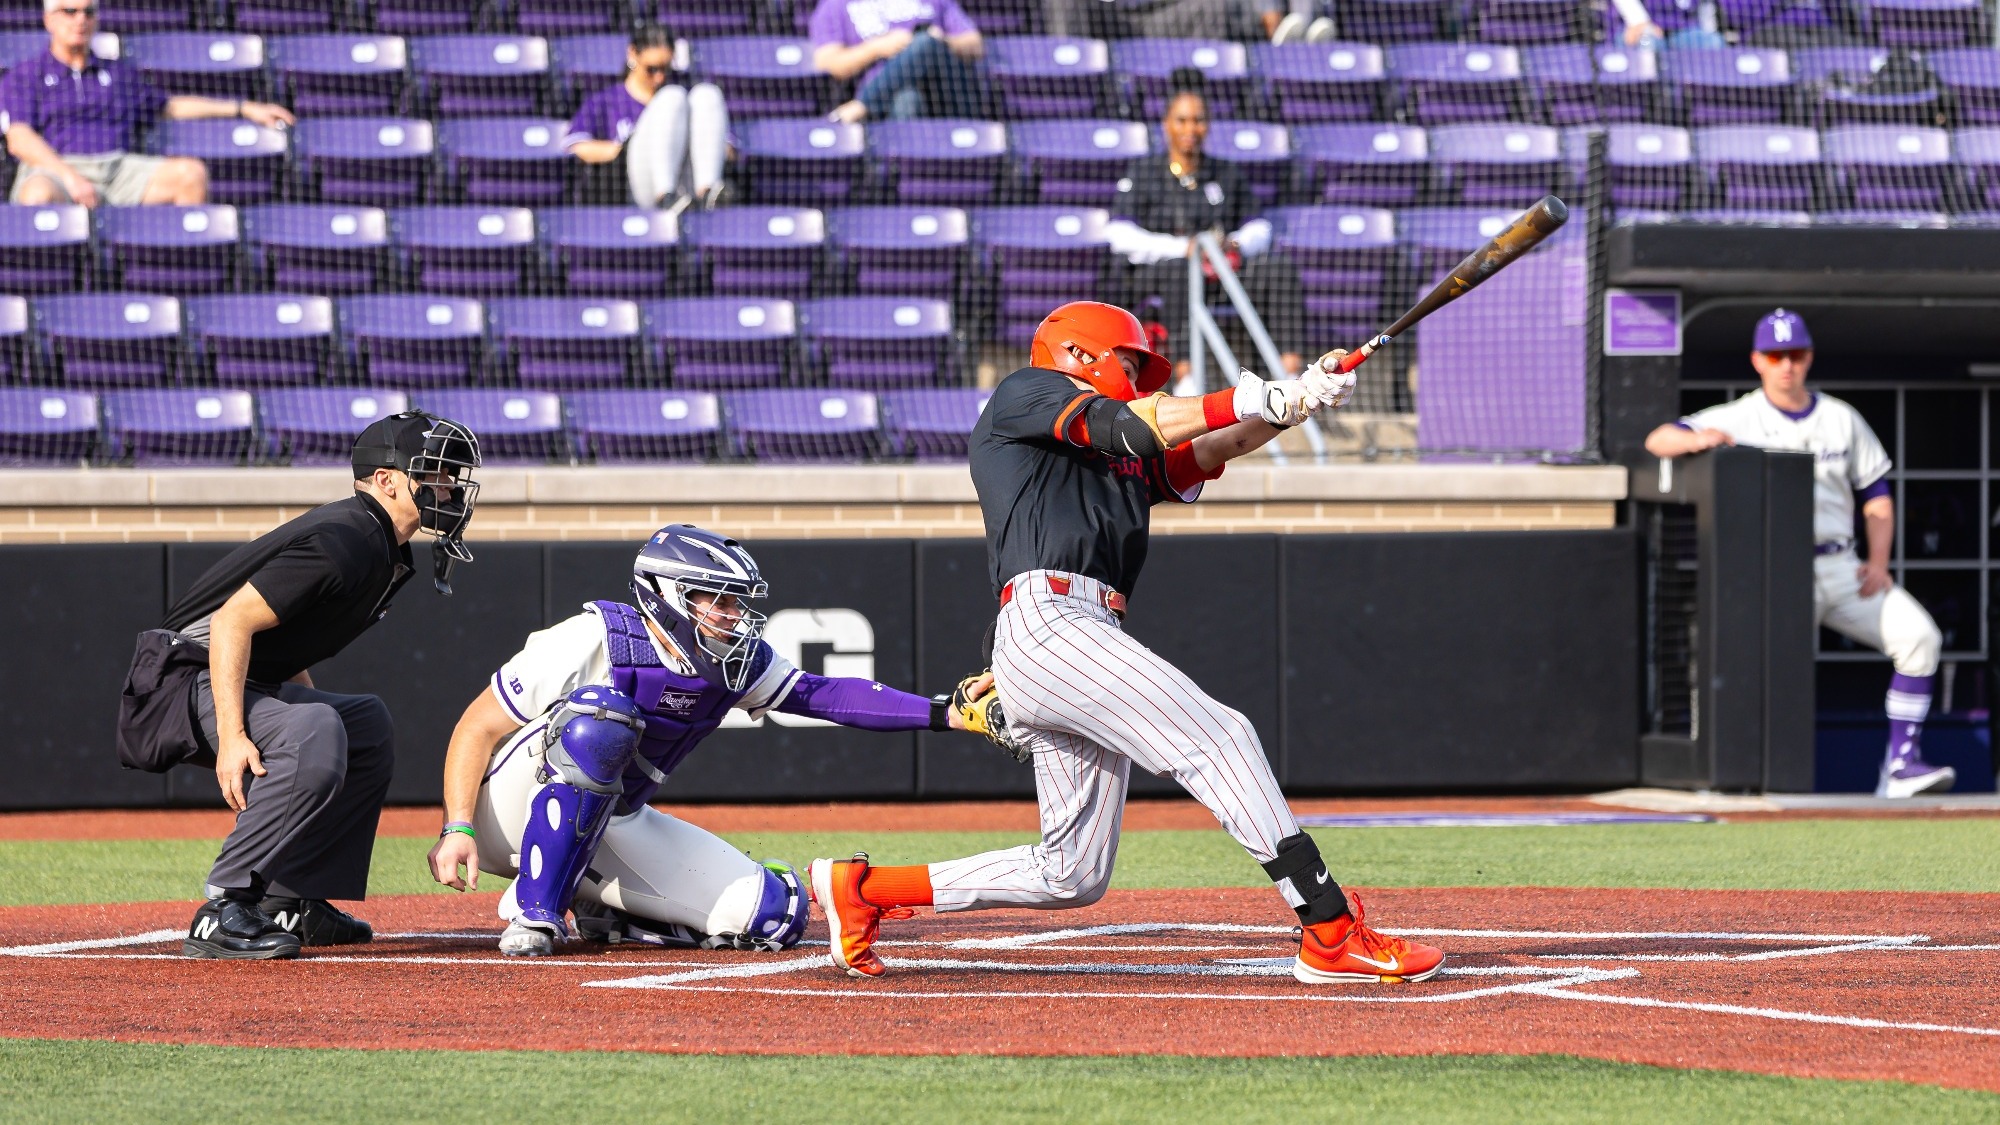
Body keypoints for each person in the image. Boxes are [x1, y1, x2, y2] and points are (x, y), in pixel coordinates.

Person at [808, 300, 1448, 986]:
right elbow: (1133, 424)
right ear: (1080, 355)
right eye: (1130, 362)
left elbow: (1211, 444)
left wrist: (1294, 404)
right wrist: (1253, 393)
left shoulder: (1120, 457)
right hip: (1051, 624)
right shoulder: (1030, 392)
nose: (1140, 378)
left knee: (1072, 873)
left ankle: (864, 890)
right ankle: (1328, 929)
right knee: (1222, 737)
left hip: (1075, 634)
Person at [425, 524, 989, 956]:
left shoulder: (733, 663)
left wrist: (943, 712)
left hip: (610, 820)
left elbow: (823, 694)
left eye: (736, 602)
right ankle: (535, 913)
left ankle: (604, 908)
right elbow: (476, 726)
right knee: (603, 722)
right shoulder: (592, 636)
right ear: (668, 596)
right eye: (716, 600)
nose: (733, 616)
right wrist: (458, 827)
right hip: (509, 814)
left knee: (774, 916)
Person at [140, 412, 482, 959]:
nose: (449, 487)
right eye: (435, 472)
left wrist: (308, 716)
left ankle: (291, 900)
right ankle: (225, 904)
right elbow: (231, 623)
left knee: (362, 724)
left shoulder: (381, 545)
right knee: (315, 728)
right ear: (387, 480)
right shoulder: (348, 536)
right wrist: (233, 737)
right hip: (179, 678)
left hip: (228, 676)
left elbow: (285, 645)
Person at [1644, 309, 1953, 799]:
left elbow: (1877, 494)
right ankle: (1736, 777)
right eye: (1775, 355)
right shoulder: (1739, 414)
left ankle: (1900, 765)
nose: (1786, 364)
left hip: (1841, 563)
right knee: (1756, 668)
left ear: (1808, 358)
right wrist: (1698, 439)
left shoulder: (1840, 417)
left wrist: (1878, 562)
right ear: (1757, 361)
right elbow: (1657, 439)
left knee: (1920, 638)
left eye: (1795, 354)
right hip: (1777, 568)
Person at [1109, 70, 1309, 383]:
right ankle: (1187, 378)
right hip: (1164, 275)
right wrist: (1184, 248)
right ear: (1166, 125)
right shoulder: (1144, 172)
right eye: (1182, 120)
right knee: (1179, 272)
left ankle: (1292, 377)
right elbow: (1120, 235)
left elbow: (1260, 226)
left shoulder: (1226, 172)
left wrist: (1235, 244)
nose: (1191, 129)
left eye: (1198, 120)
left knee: (1279, 269)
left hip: (1220, 274)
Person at [0, 0, 294, 207]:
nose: (80, 20)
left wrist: (243, 108)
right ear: (49, 19)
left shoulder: (117, 73)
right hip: (58, 170)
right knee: (37, 194)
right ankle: (50, 295)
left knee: (190, 174)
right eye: (70, 11)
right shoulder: (26, 75)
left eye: (89, 12)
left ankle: (180, 282)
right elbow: (19, 139)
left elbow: (170, 107)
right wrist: (71, 178)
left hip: (118, 169)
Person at [564, 24, 730, 213]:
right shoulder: (607, 100)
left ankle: (707, 193)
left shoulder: (688, 92)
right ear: (633, 54)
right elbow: (576, 145)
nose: (659, 77)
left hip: (687, 180)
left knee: (707, 93)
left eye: (665, 68)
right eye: (652, 69)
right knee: (671, 98)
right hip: (638, 186)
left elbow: (729, 148)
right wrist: (624, 148)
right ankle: (666, 197)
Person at [810, 0, 989, 124]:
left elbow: (975, 45)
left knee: (926, 42)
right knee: (907, 100)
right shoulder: (835, 5)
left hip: (947, 94)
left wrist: (939, 42)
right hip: (890, 104)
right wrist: (875, 48)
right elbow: (828, 62)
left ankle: (862, 104)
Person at [1044, 0, 1316, 41]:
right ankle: (1073, 71)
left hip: (1163, 15)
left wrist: (1268, 7)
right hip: (1106, 17)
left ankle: (1287, 42)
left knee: (1216, 6)